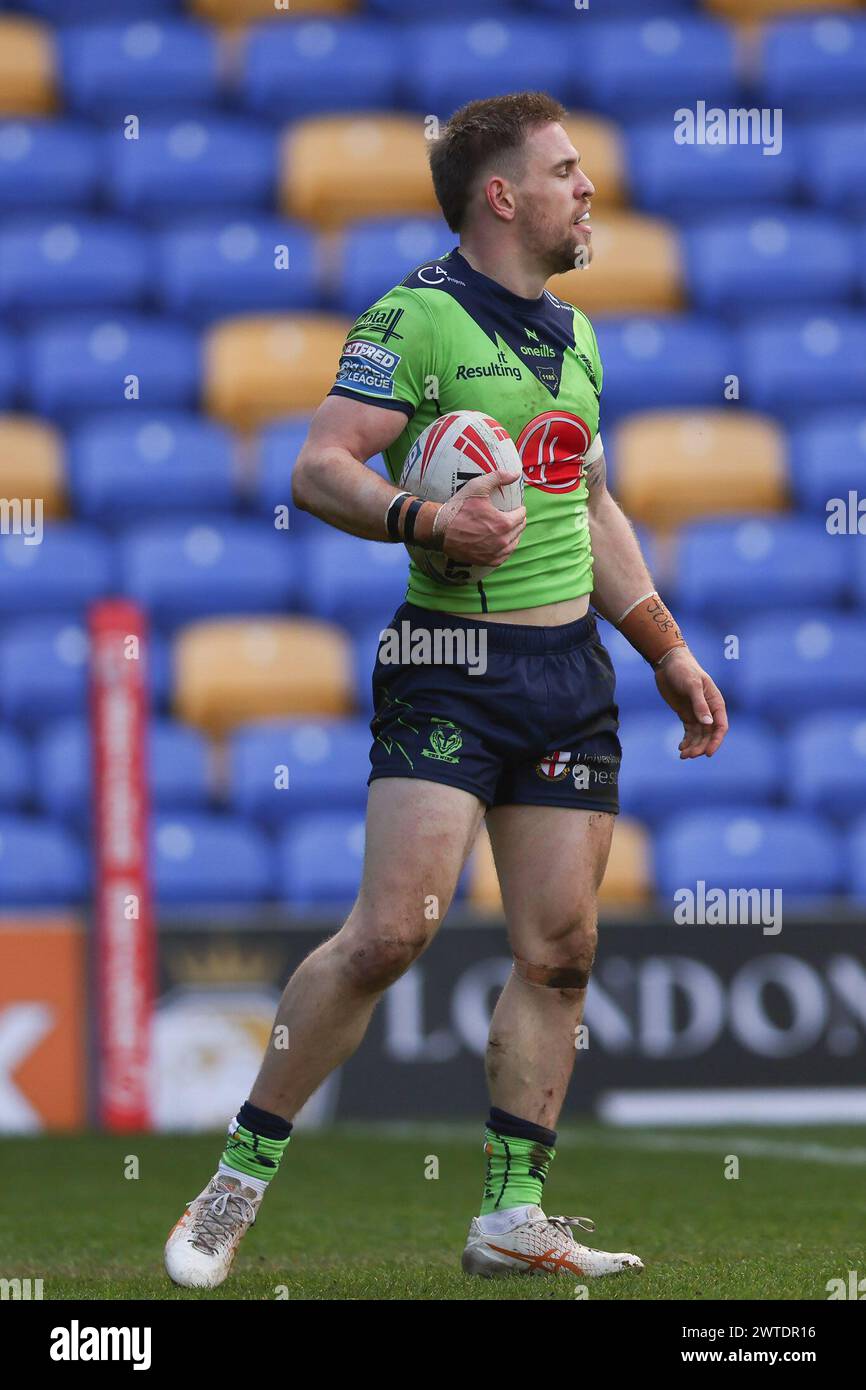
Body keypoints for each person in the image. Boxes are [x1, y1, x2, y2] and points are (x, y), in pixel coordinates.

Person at [165, 90, 728, 1289]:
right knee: (387, 936)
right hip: (448, 665)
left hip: (567, 671)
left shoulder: (575, 335)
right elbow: (318, 465)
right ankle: (236, 1179)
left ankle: (510, 1213)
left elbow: (591, 503)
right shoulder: (412, 317)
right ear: (501, 194)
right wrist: (424, 519)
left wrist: (666, 650)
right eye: (566, 170)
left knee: (561, 948)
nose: (587, 190)